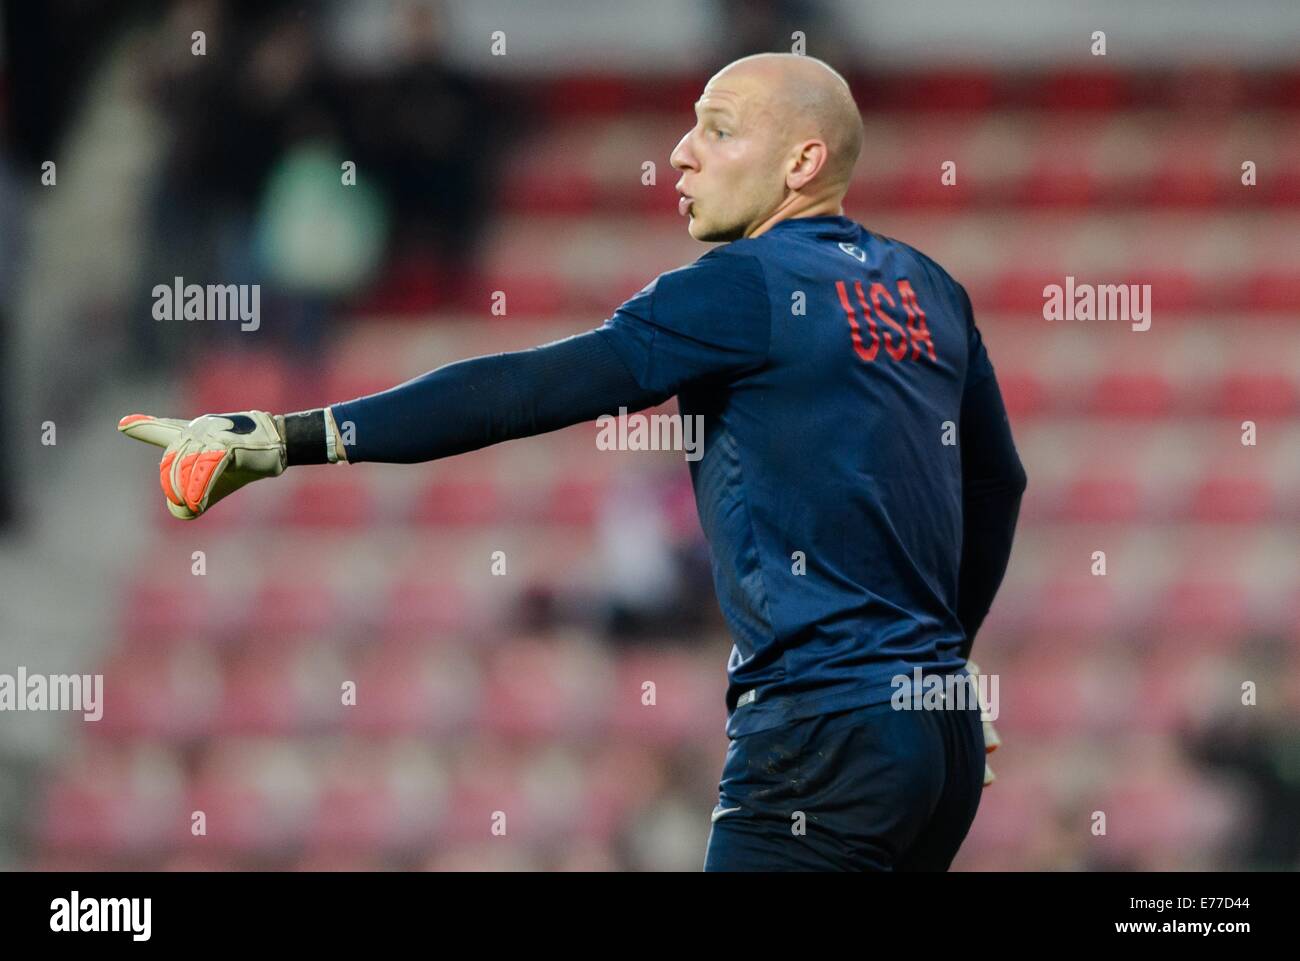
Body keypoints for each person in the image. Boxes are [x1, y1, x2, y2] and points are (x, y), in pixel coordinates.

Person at [120, 53, 1027, 871]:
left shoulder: (742, 287)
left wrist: (287, 437)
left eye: (716, 130)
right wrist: (944, 664)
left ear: (801, 165)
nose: (680, 153)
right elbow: (997, 482)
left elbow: (527, 390)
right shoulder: (932, 288)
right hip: (933, 740)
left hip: (823, 734)